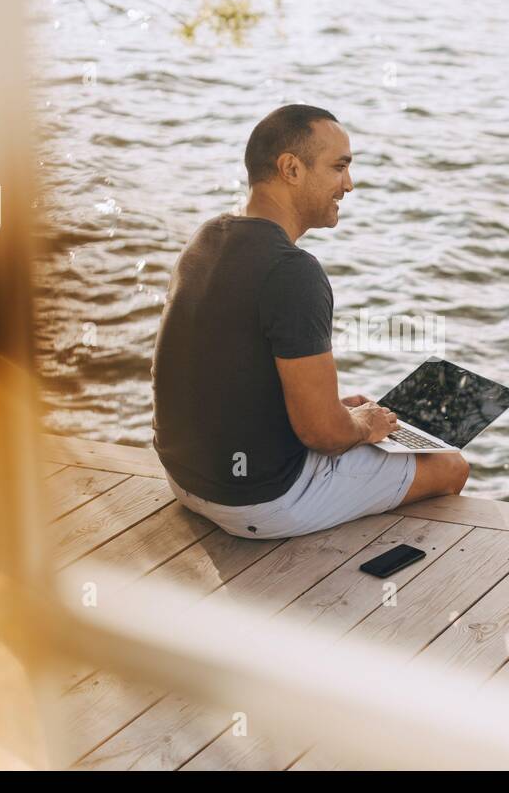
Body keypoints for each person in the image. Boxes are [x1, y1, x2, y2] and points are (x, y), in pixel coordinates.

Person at [151, 104, 469, 539]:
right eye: (339, 167)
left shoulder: (208, 238)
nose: (349, 185)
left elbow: (228, 379)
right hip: (260, 501)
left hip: (185, 479)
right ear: (291, 168)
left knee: (360, 425)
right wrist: (361, 426)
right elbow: (321, 433)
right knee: (450, 465)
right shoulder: (293, 270)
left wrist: (340, 415)